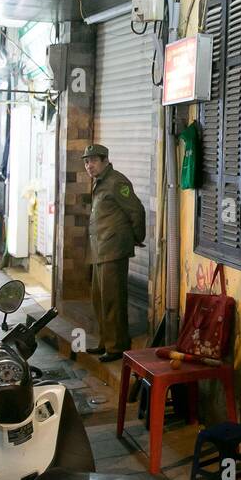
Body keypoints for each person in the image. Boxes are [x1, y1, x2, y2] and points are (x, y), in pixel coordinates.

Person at [82, 144, 146, 362]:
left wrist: (136, 237)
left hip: (113, 250)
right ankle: (105, 342)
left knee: (113, 300)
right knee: (99, 300)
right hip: (100, 250)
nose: (88, 165)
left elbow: (136, 210)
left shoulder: (117, 182)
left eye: (92, 161)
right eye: (86, 162)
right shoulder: (100, 183)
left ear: (104, 160)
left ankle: (117, 346)